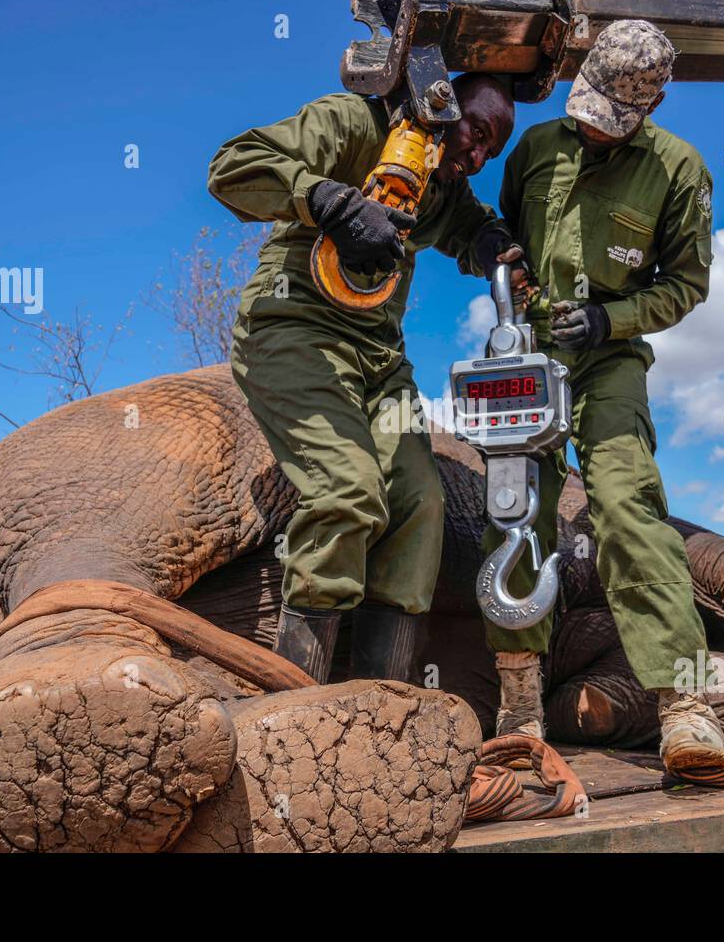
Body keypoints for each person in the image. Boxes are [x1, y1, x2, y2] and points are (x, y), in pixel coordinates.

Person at [209, 74, 518, 682]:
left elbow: (466, 225)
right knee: (347, 491)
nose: (477, 156)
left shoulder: (444, 184)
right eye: (475, 134)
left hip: (379, 356)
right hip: (295, 330)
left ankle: (381, 708)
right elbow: (233, 165)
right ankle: (293, 705)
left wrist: (491, 244)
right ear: (442, 102)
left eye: (491, 151)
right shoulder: (354, 123)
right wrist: (330, 201)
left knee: (420, 505)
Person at [482, 20, 724, 774]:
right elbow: (504, 233)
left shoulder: (679, 171)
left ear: (648, 108)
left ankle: (683, 705)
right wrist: (510, 270)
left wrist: (613, 317)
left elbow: (687, 284)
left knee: (627, 505)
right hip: (529, 351)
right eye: (586, 111)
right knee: (515, 506)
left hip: (610, 357)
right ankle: (519, 701)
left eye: (613, 123)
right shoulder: (534, 149)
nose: (593, 130)